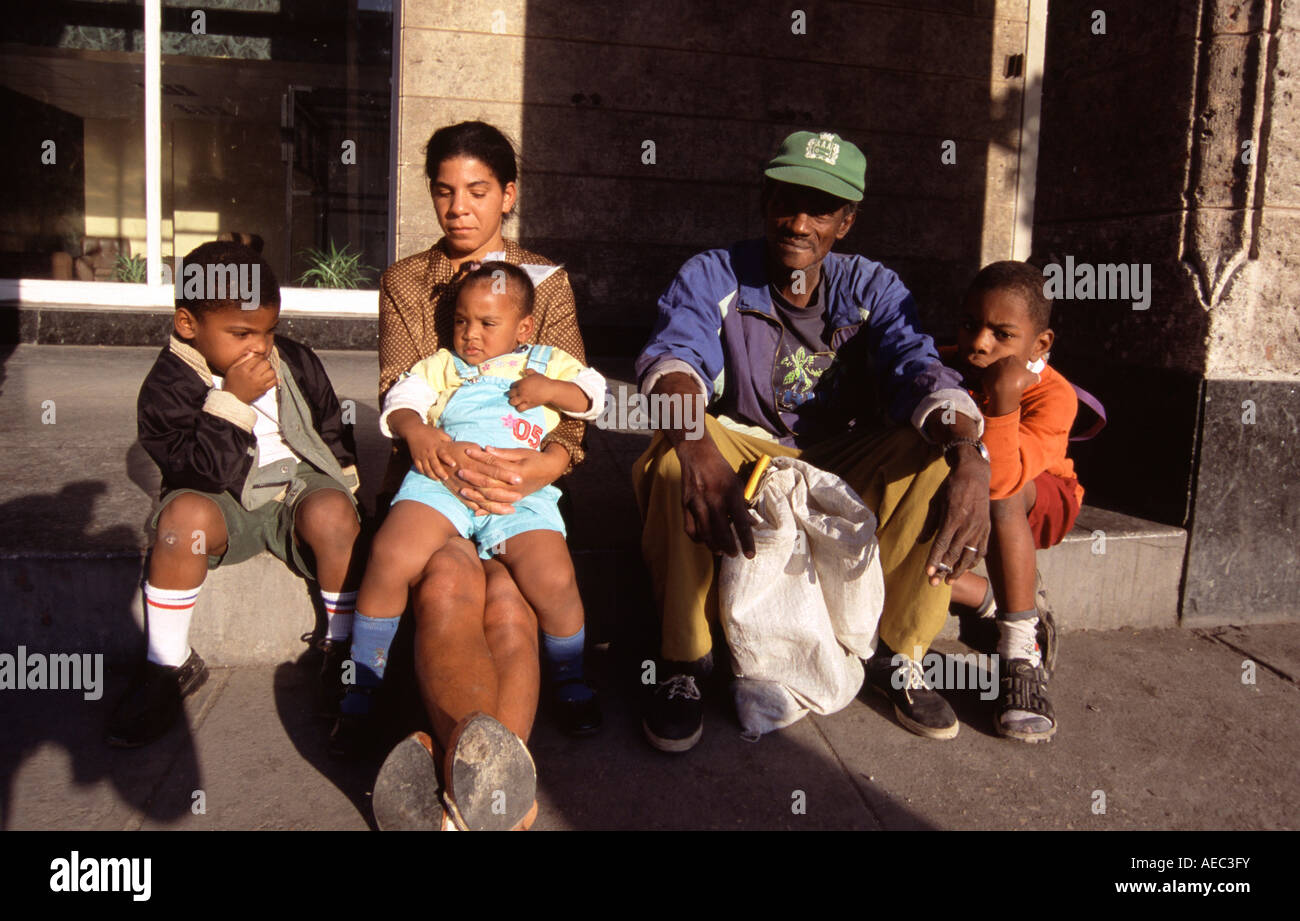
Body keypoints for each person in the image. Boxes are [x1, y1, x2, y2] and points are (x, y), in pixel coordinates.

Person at [633, 130, 992, 751]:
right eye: (786, 201)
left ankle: (897, 654)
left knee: (934, 464)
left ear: (846, 222)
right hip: (747, 449)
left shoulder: (873, 288)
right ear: (764, 201)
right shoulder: (714, 273)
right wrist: (696, 448)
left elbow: (921, 370)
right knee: (671, 456)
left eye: (820, 209)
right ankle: (684, 663)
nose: (798, 222)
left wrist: (971, 457)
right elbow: (672, 360)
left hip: (839, 456)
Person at [351, 121, 592, 830]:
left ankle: (470, 782)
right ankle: (493, 799)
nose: (459, 208)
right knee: (451, 582)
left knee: (517, 604)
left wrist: (532, 470)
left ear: (508, 194)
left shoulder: (545, 283)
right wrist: (437, 451)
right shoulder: (405, 281)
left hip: (523, 483)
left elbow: (576, 410)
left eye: (479, 191)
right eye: (444, 192)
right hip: (437, 478)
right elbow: (401, 389)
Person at [339, 262, 604, 748]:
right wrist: (416, 430)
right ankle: (363, 680)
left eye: (487, 323)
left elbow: (595, 396)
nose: (470, 335)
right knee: (391, 553)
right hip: (444, 480)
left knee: (554, 578)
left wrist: (551, 391)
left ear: (524, 328)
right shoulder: (444, 365)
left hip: (519, 493)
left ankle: (570, 675)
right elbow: (403, 398)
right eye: (461, 321)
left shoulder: (547, 361)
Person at [108, 240, 363, 748]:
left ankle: (342, 649)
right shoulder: (167, 387)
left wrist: (348, 484)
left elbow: (331, 426)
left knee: (335, 513)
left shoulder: (294, 361)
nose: (261, 347)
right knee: (181, 524)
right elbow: (197, 474)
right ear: (188, 324)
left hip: (296, 486)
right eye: (242, 333)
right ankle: (168, 664)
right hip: (223, 496)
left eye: (269, 331)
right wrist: (231, 402)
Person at [945, 261, 1081, 743]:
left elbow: (1002, 480)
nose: (979, 343)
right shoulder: (948, 364)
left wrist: (1003, 400)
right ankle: (984, 596)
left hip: (1037, 499)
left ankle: (1021, 654)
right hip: (962, 493)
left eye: (1001, 334)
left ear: (1039, 345)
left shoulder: (1053, 395)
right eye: (969, 325)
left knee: (999, 494)